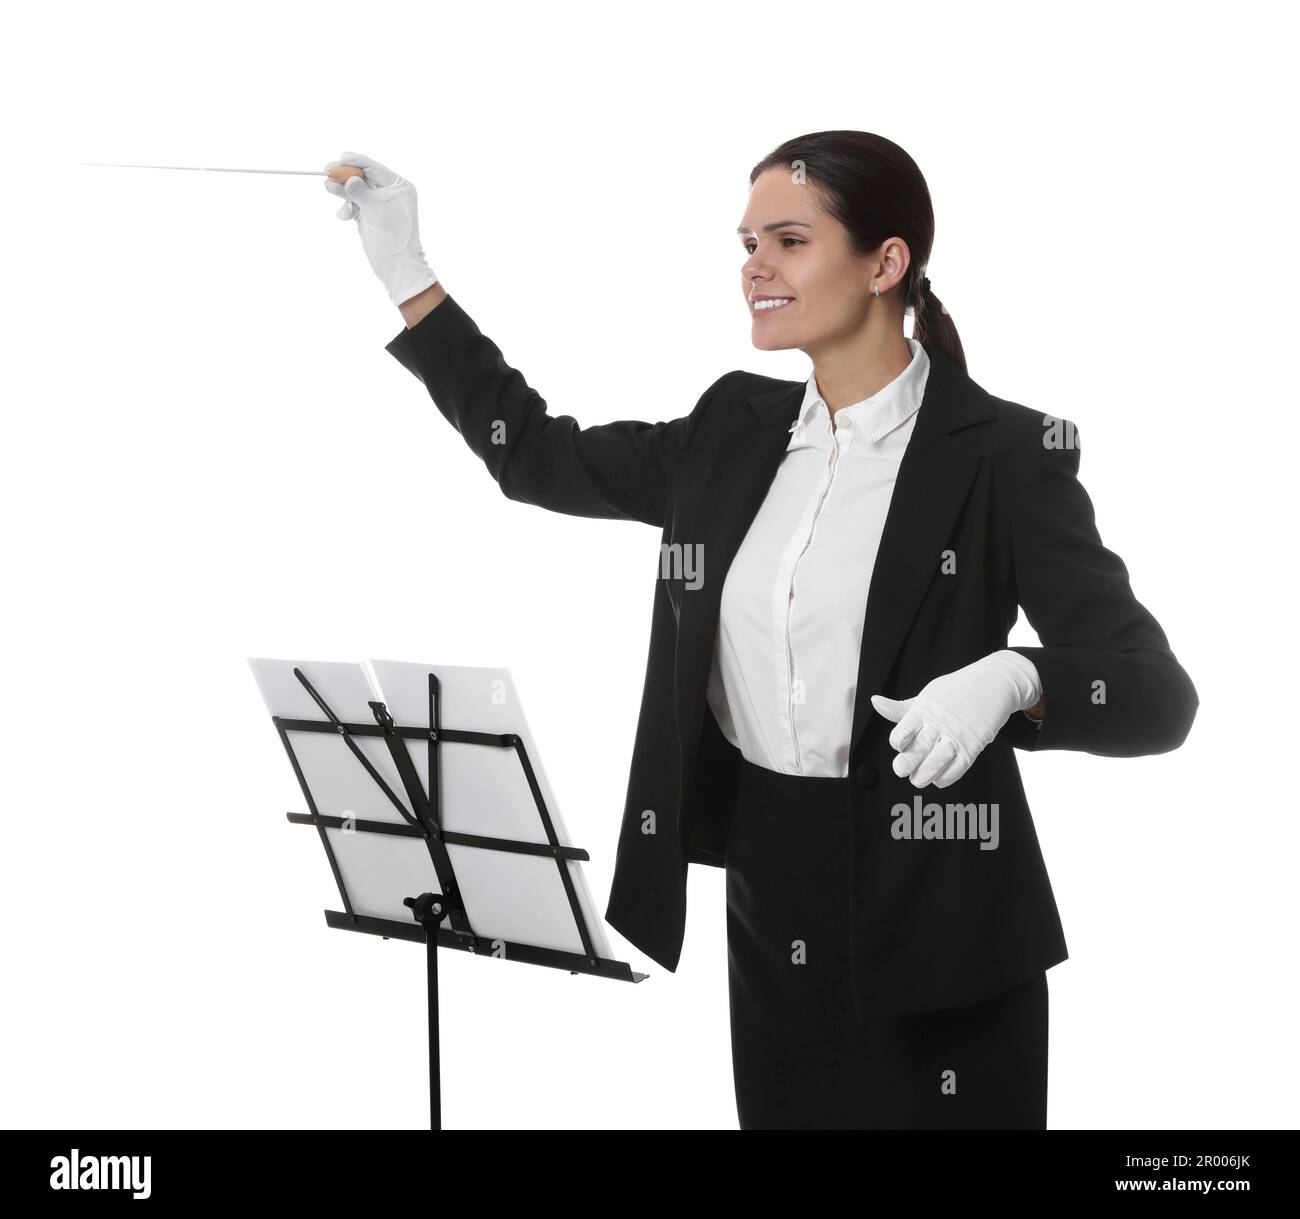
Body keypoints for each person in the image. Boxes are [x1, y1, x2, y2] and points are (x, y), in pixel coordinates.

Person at [323, 133, 1198, 1129]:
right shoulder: (730, 430)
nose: (754, 265)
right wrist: (408, 270)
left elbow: (1154, 695)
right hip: (771, 891)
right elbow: (530, 457)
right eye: (748, 241)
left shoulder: (1001, 453)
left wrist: (1012, 678)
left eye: (788, 238)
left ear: (885, 262)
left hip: (945, 922)